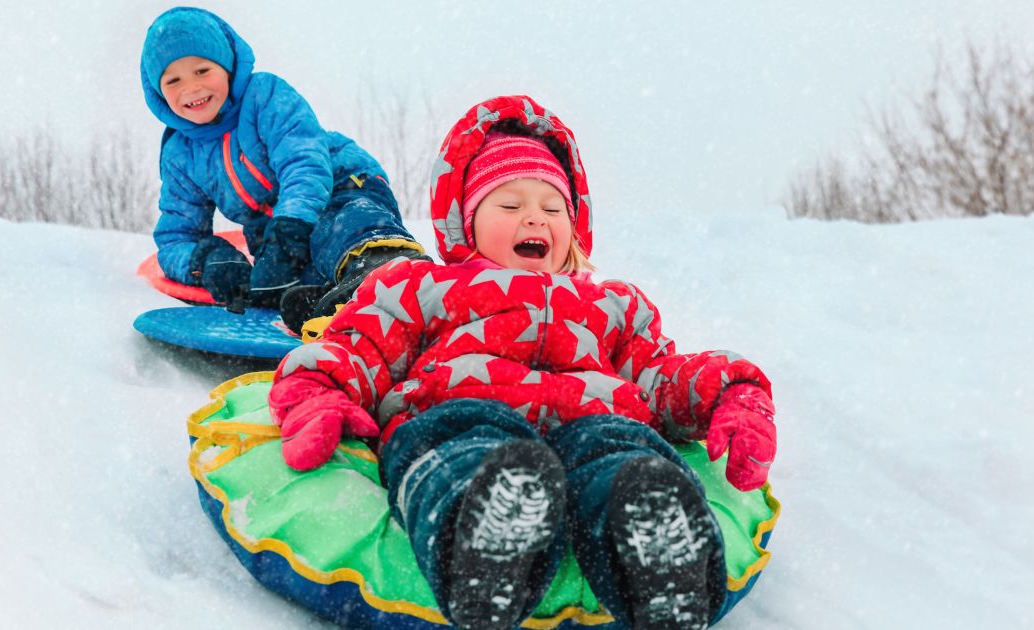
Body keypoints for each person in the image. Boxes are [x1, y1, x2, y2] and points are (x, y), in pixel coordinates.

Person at [267, 95, 777, 630]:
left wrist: (730, 391)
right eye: (509, 206)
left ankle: (656, 550)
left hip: (592, 423)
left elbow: (660, 376)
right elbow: (358, 345)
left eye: (552, 208)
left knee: (623, 452)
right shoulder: (423, 286)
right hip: (461, 413)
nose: (534, 216)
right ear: (466, 222)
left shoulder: (613, 305)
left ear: (573, 227)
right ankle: (482, 540)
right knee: (455, 443)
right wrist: (315, 391)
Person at [139, 7, 426, 321]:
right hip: (271, 225)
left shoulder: (264, 96)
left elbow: (304, 163)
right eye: (173, 80)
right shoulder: (180, 152)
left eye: (202, 71)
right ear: (158, 93)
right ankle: (329, 303)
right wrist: (207, 259)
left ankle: (385, 266)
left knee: (341, 224)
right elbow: (176, 235)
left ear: (228, 67)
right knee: (277, 284)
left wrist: (290, 228)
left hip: (340, 184)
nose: (191, 88)